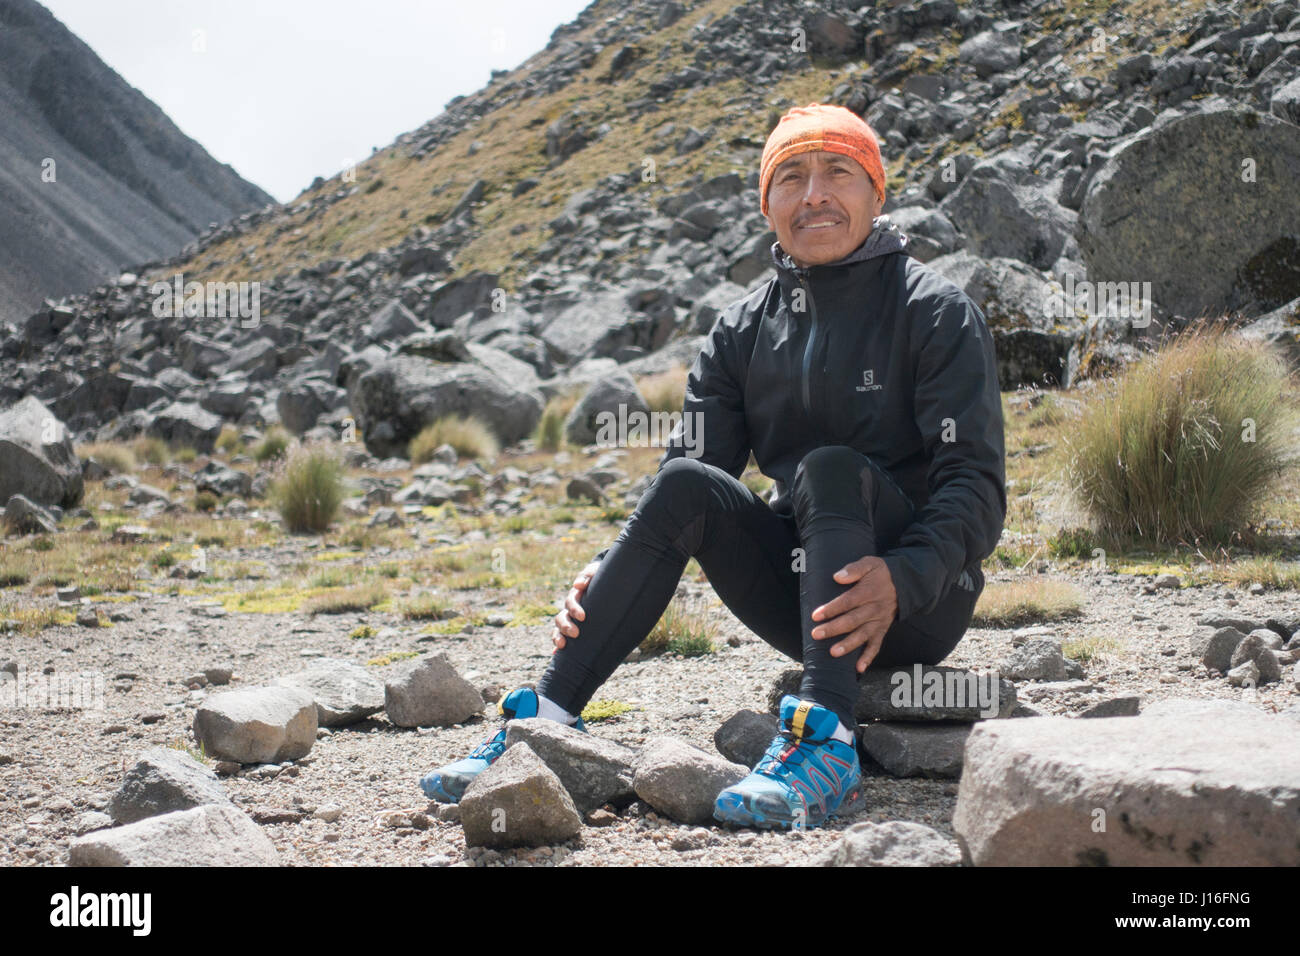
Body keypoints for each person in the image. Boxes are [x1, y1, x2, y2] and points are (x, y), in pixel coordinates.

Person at [419, 103, 1006, 831]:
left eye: (838, 172)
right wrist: (610, 570)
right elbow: (691, 474)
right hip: (806, 600)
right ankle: (541, 723)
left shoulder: (935, 309)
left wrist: (906, 576)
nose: (814, 193)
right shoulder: (740, 329)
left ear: (875, 192)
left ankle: (826, 746)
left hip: (919, 602)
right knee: (683, 487)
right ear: (768, 205)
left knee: (828, 469)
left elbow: (975, 487)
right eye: (790, 177)